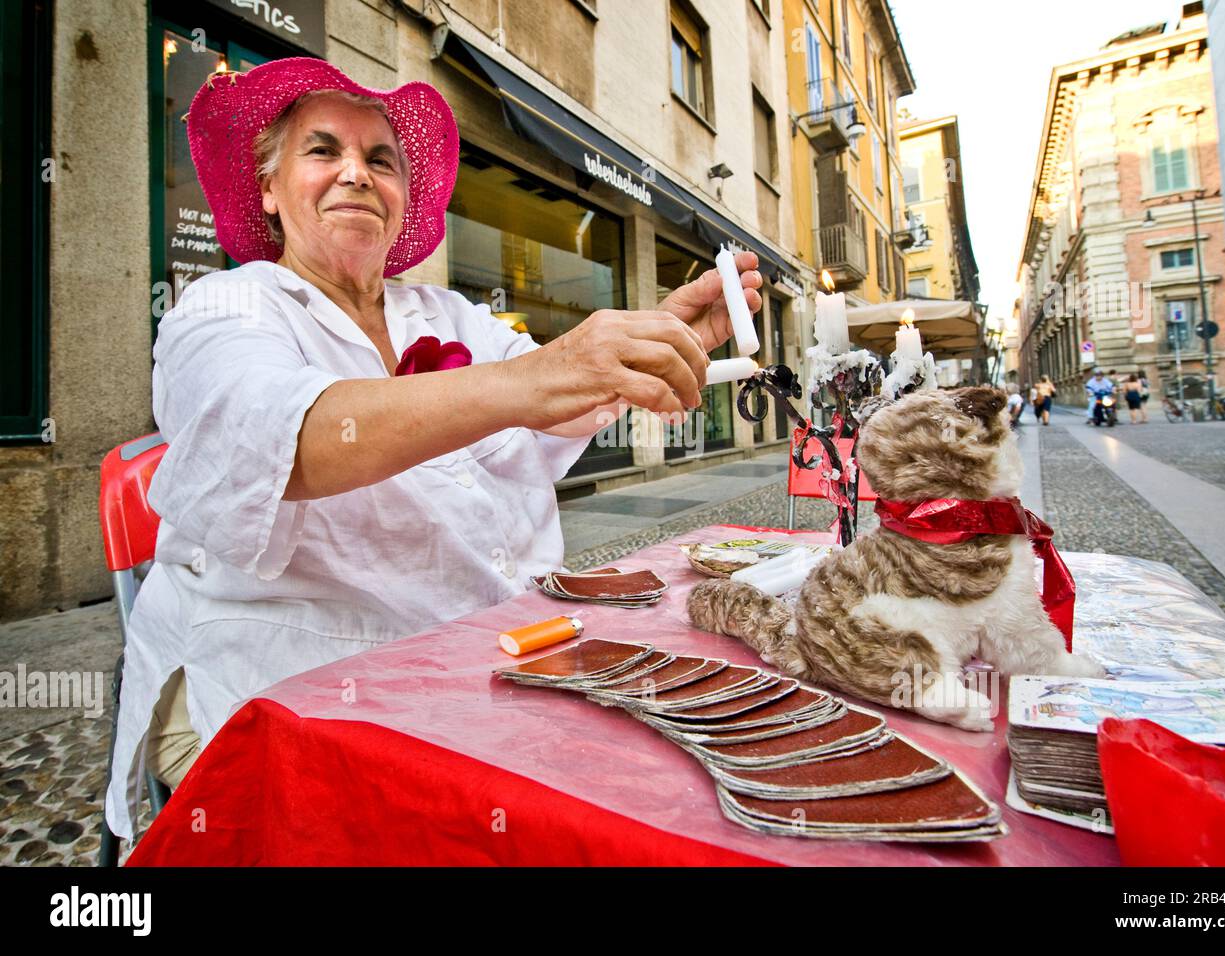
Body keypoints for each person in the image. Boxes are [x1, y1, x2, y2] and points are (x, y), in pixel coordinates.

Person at [106, 59, 764, 839]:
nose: (356, 173)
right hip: (283, 683)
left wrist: (648, 348)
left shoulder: (442, 311)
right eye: (323, 152)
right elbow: (291, 442)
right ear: (270, 193)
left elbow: (545, 408)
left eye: (381, 160)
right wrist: (543, 374)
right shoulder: (223, 308)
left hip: (484, 654)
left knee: (690, 757)